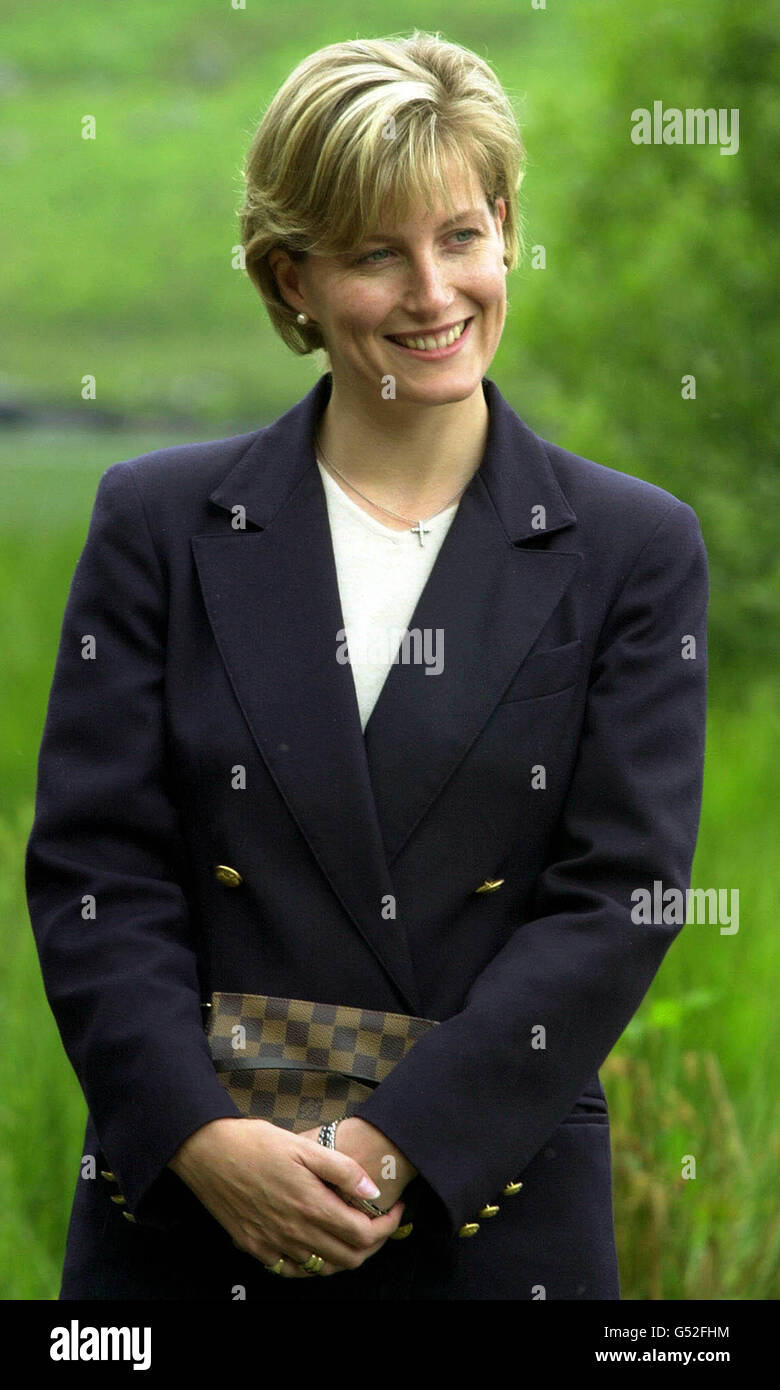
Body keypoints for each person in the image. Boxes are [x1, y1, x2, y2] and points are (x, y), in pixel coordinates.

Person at [26, 31, 708, 1301]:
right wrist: (201, 1140)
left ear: (506, 227)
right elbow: (93, 872)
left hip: (490, 1216)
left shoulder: (634, 549)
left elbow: (618, 900)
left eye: (459, 235)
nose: (433, 292)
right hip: (180, 1222)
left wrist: (395, 1148)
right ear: (288, 279)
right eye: (374, 254)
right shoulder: (157, 523)